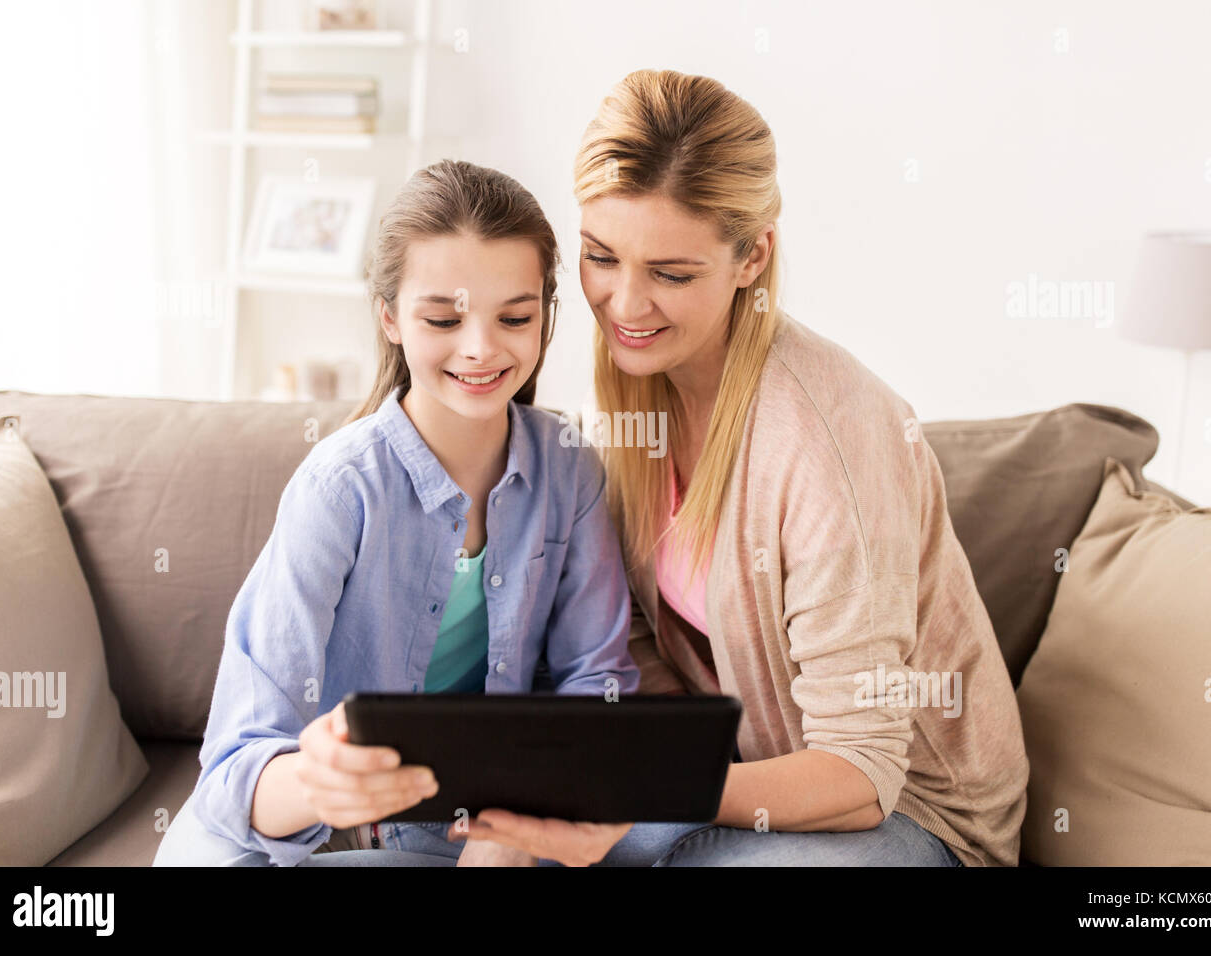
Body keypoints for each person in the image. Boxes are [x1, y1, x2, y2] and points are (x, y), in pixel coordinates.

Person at [457, 69, 1030, 867]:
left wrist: (634, 789)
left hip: (910, 816)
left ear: (752, 257)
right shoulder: (636, 395)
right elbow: (650, 647)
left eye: (672, 274)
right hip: (743, 778)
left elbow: (863, 773)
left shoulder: (831, 434)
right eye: (601, 257)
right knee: (499, 835)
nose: (624, 304)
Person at [153, 159, 641, 867]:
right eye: (443, 317)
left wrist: (521, 820)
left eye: (515, 317)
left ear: (548, 317)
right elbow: (235, 769)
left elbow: (598, 688)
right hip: (324, 832)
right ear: (389, 316)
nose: (481, 347)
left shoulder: (569, 469)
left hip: (477, 820)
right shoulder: (340, 486)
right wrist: (323, 785)